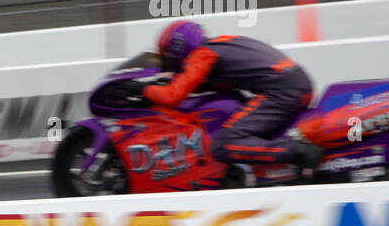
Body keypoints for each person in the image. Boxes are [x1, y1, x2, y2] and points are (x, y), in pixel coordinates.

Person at [120, 20, 323, 173]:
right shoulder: (221, 44)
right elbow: (214, 85)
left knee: (224, 145)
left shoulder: (203, 54)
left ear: (176, 50)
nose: (168, 64)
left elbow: (173, 96)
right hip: (294, 84)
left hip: (282, 90)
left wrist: (140, 89)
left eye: (167, 58)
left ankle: (299, 152)